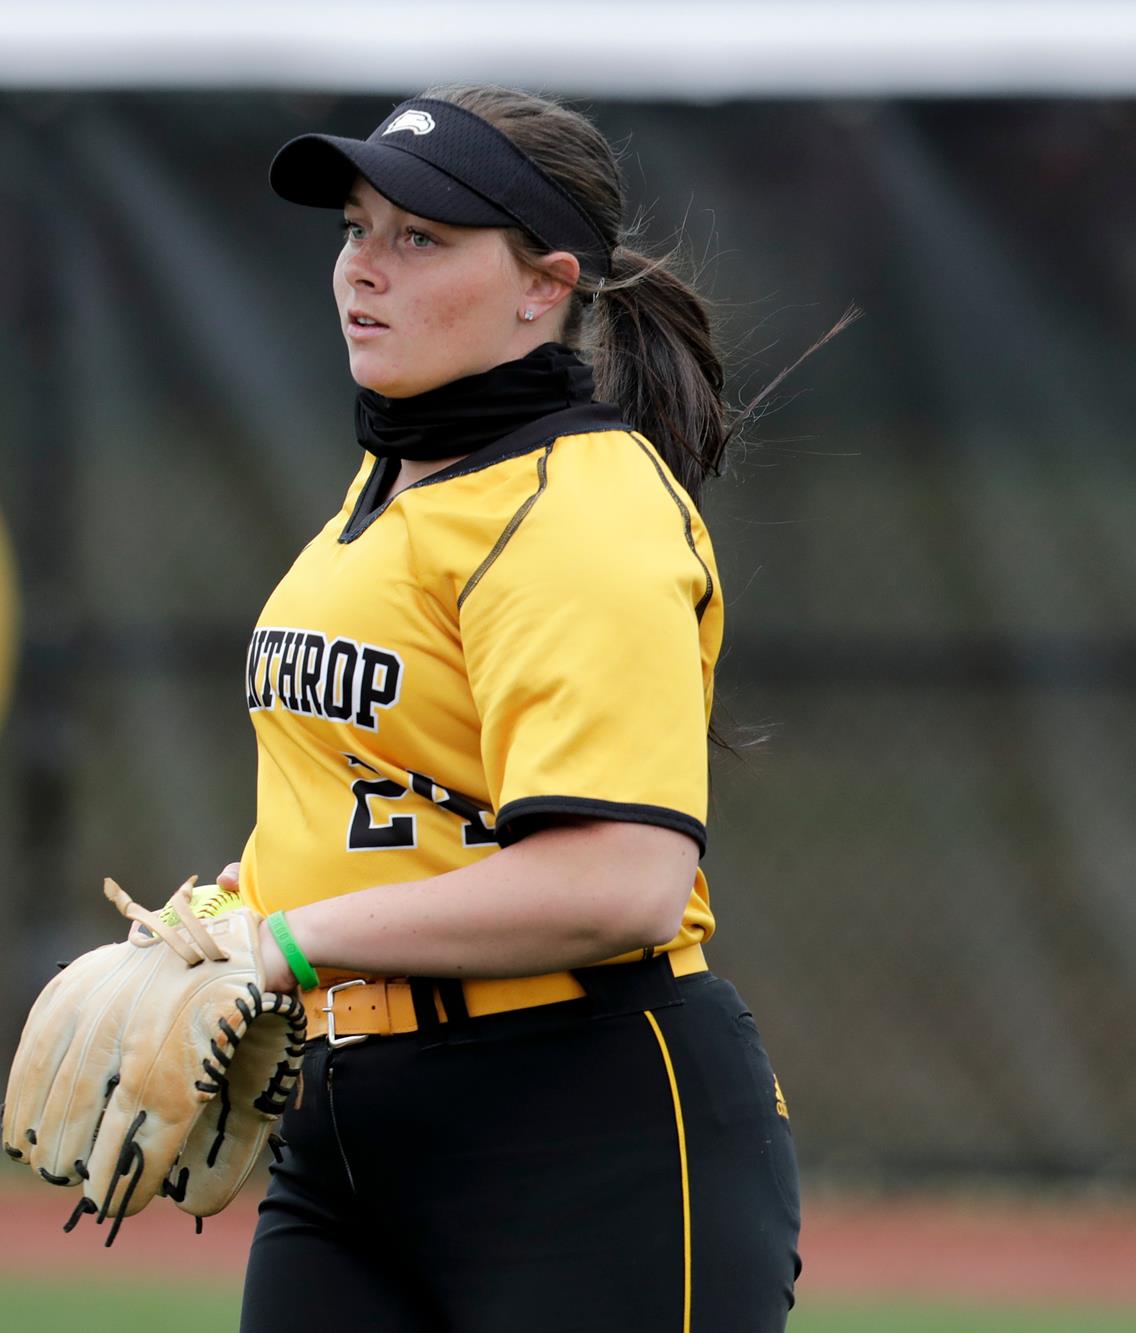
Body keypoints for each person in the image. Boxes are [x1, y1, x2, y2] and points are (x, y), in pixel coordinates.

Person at [221, 85, 805, 1332]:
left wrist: (285, 944)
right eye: (353, 227)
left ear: (543, 283)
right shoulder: (394, 480)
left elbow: (618, 882)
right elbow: (395, 799)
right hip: (347, 1132)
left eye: (418, 239)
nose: (360, 271)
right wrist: (226, 913)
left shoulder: (575, 511)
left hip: (585, 1131)